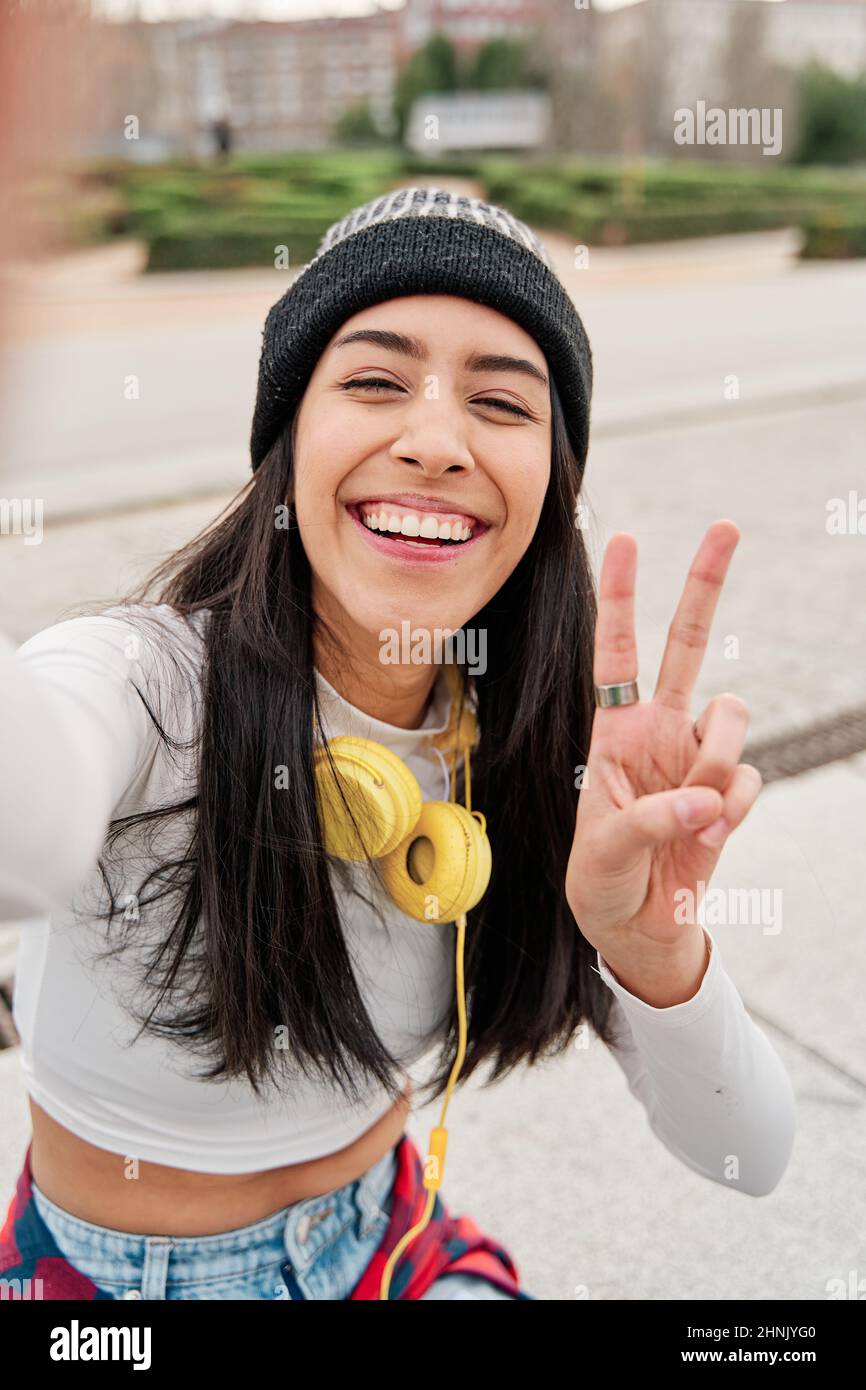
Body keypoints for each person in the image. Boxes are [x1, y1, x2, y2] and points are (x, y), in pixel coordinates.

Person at [0, 187, 795, 1301]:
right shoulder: (141, 682)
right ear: (285, 441)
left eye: (501, 403)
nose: (433, 442)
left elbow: (747, 1154)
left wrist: (651, 944)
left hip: (392, 1244)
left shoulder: (548, 753)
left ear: (548, 486)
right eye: (374, 381)